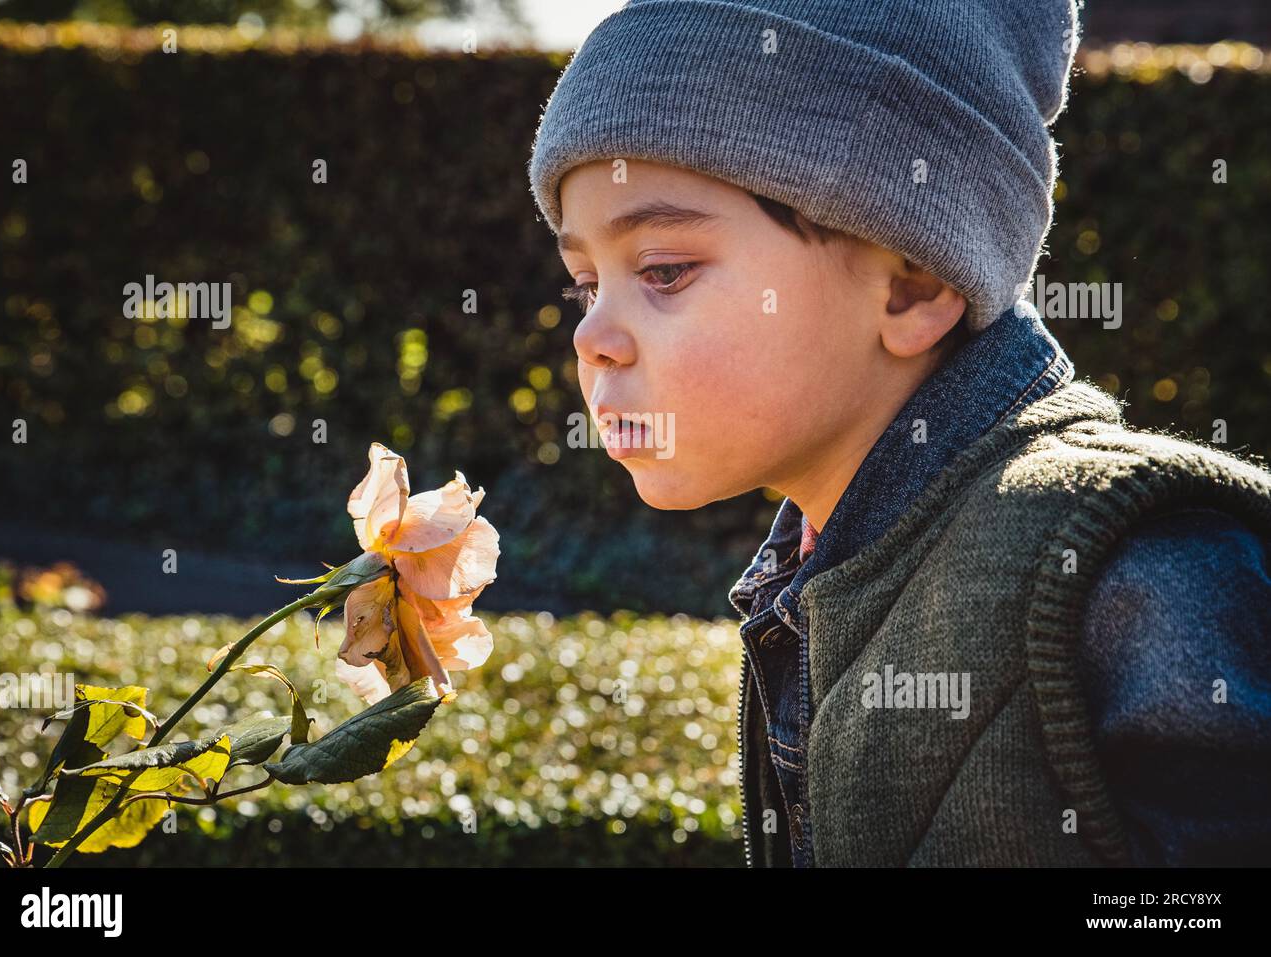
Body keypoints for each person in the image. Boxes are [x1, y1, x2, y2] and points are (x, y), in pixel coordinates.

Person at [526, 0, 1271, 866]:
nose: (592, 337)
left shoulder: (1133, 562)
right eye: (585, 282)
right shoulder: (821, 574)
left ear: (912, 287)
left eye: (663, 270)